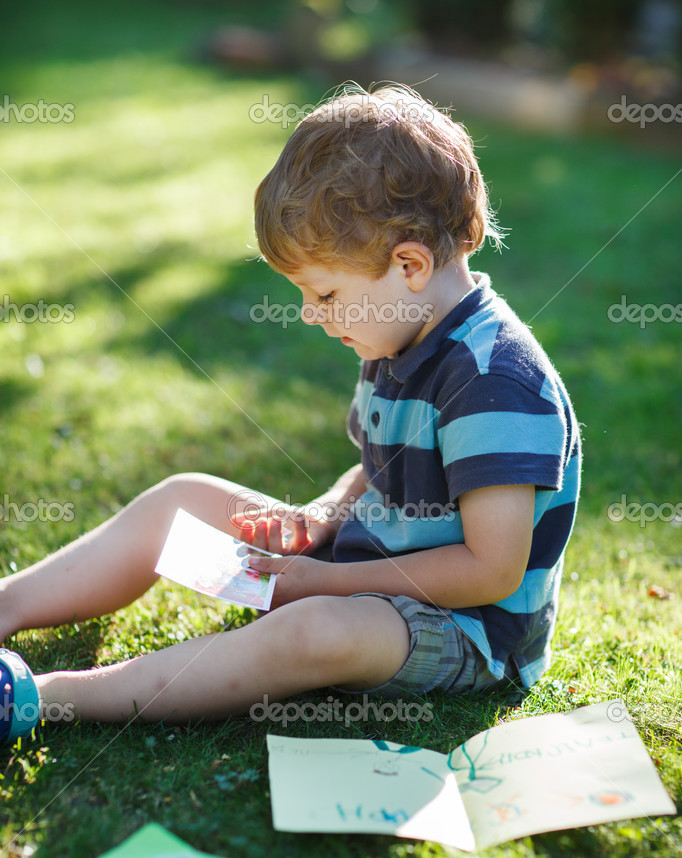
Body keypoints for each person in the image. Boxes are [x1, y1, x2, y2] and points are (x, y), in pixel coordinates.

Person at [0, 85, 581, 742]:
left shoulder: (496, 381)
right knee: (182, 500)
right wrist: (320, 518)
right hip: (364, 563)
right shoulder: (402, 332)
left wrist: (323, 586)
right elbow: (378, 469)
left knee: (314, 631)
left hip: (465, 631)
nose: (310, 313)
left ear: (410, 264)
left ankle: (47, 696)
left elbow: (491, 568)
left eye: (325, 293)